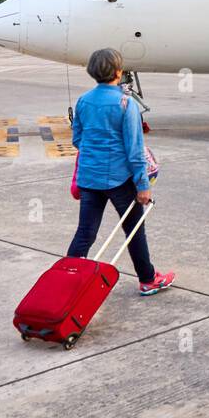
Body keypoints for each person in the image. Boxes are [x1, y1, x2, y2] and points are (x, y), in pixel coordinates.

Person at [67, 48, 175, 296]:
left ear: (92, 72)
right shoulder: (126, 103)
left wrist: (97, 153)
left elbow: (78, 140)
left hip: (89, 177)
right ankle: (147, 279)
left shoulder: (83, 101)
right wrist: (143, 185)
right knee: (134, 229)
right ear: (118, 72)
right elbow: (134, 150)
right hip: (120, 180)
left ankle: (68, 279)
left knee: (86, 232)